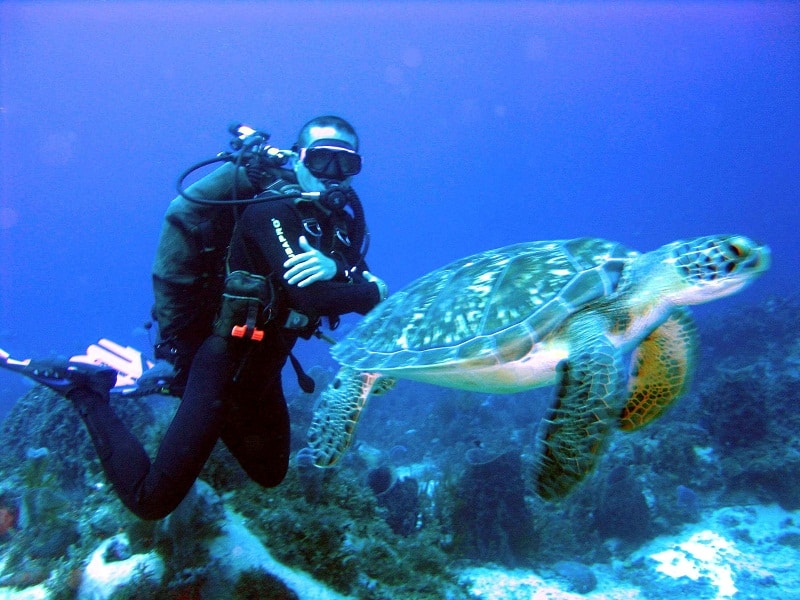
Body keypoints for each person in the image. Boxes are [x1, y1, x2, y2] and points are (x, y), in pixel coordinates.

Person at [19, 116, 387, 520]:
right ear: (297, 158)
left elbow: (352, 285)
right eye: (322, 160)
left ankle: (181, 388)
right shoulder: (272, 210)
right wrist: (371, 289)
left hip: (264, 370)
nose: (333, 176)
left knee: (270, 473)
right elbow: (314, 297)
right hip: (223, 365)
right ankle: (86, 392)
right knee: (150, 501)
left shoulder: (341, 224)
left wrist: (341, 274)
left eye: (346, 164)